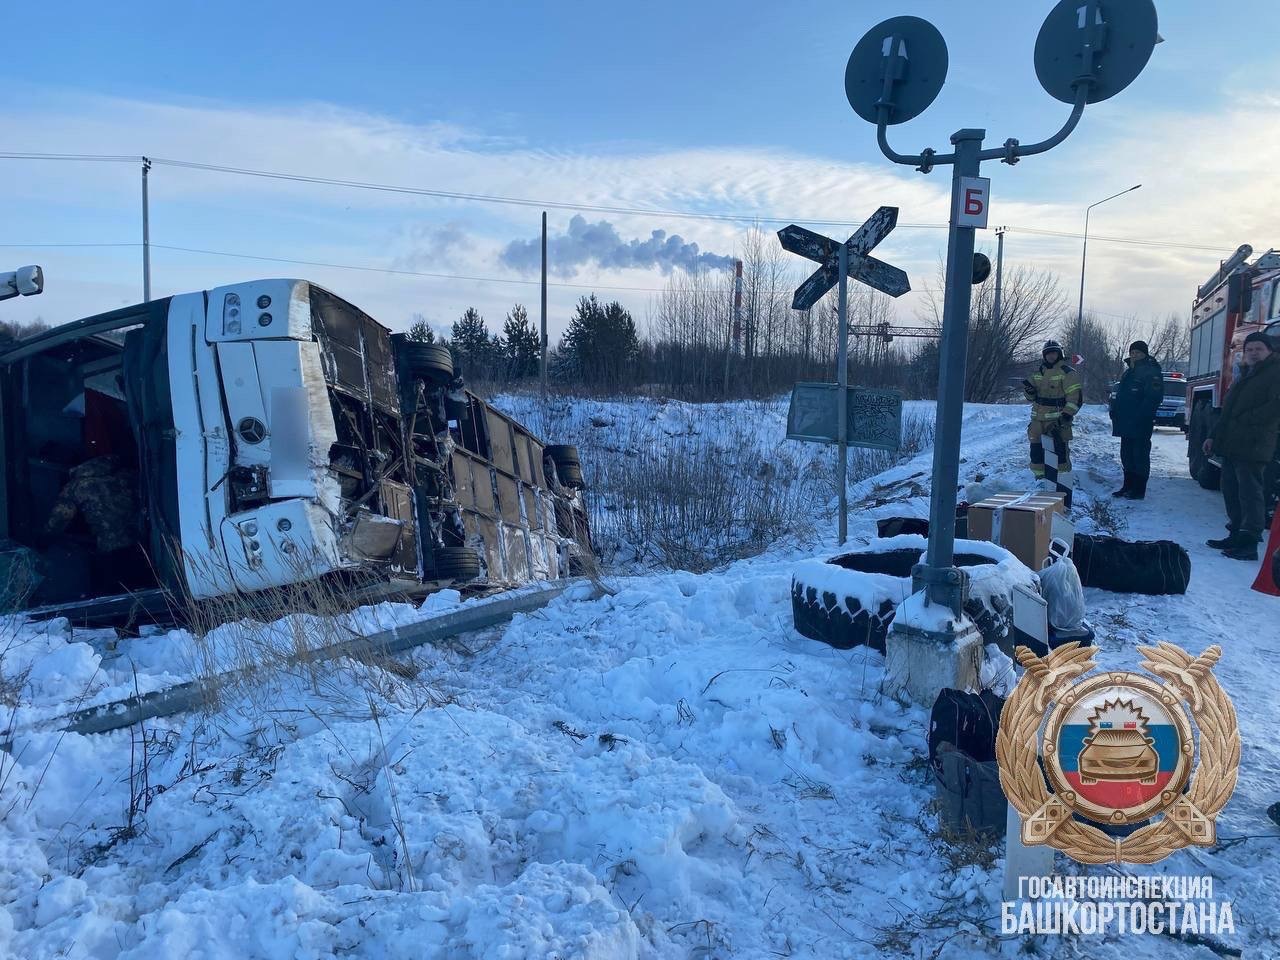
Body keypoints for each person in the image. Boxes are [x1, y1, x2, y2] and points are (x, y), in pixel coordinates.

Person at [1203, 332, 1280, 561]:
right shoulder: (1245, 374)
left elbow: (1275, 408)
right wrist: (1212, 436)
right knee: (1231, 489)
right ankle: (1236, 533)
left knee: (1250, 493)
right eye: (1250, 349)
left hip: (1254, 443)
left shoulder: (1275, 373)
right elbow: (1227, 412)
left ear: (1270, 351)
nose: (1254, 353)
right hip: (1232, 443)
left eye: (1259, 349)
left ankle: (1249, 543)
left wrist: (1245, 420)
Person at [1108, 340, 1164, 499]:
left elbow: (1153, 397)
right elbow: (1122, 395)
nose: (1134, 355)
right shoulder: (1129, 372)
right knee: (1126, 455)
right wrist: (1115, 410)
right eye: (1132, 353)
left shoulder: (1151, 372)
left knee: (1139, 455)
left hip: (1140, 422)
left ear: (1145, 354)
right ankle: (1127, 486)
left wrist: (1142, 416)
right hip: (1125, 421)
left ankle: (1138, 490)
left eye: (1138, 353)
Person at [1023, 340, 1083, 488]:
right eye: (1048, 353)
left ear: (1059, 354)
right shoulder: (1038, 373)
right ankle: (1040, 481)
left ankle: (1063, 482)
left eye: (1054, 353)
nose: (1051, 356)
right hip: (1037, 421)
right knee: (1036, 453)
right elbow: (1030, 397)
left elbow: (1075, 398)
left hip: (1057, 421)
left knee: (1060, 452)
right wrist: (1029, 391)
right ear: (1044, 355)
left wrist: (1066, 416)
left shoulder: (1067, 373)